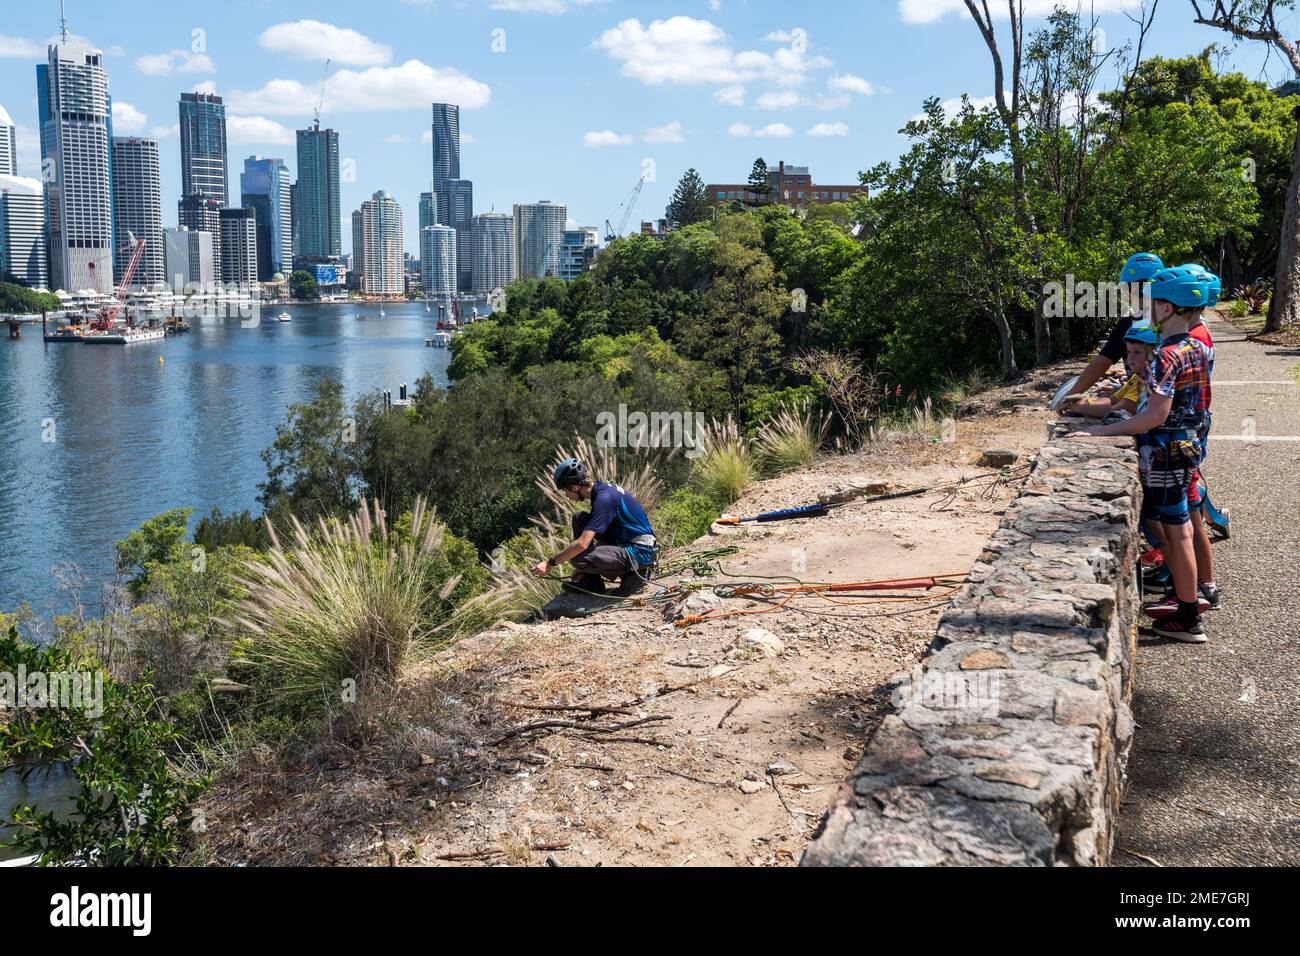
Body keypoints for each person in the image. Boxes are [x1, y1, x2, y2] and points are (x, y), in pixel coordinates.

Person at [1067, 266, 1212, 642]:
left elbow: (1153, 415)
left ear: (1166, 309)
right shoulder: (1197, 347)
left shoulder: (1166, 354)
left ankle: (1189, 617)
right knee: (1181, 530)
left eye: (1154, 304)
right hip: (1187, 447)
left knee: (1176, 533)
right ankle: (1189, 607)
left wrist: (1100, 432)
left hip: (1163, 452)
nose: (1148, 310)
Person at [531, 457, 658, 597]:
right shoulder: (602, 491)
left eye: (565, 491)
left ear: (574, 487)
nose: (566, 496)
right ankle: (592, 582)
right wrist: (587, 569)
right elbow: (606, 535)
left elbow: (582, 544)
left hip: (640, 552)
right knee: (579, 518)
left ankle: (633, 574)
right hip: (632, 543)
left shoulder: (603, 499)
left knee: (578, 558)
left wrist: (550, 563)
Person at [1066, 252, 1163, 401]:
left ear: (1127, 292)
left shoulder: (1129, 325)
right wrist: (1124, 389)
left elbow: (1099, 365)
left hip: (1140, 402)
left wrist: (1069, 397)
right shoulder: (1172, 320)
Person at [1059, 321, 1157, 419]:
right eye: (1128, 352)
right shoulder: (1136, 378)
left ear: (1153, 354)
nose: (1130, 357)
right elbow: (1111, 400)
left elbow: (1122, 409)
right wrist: (1086, 402)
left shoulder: (1147, 381)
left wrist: (1079, 407)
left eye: (1137, 352)